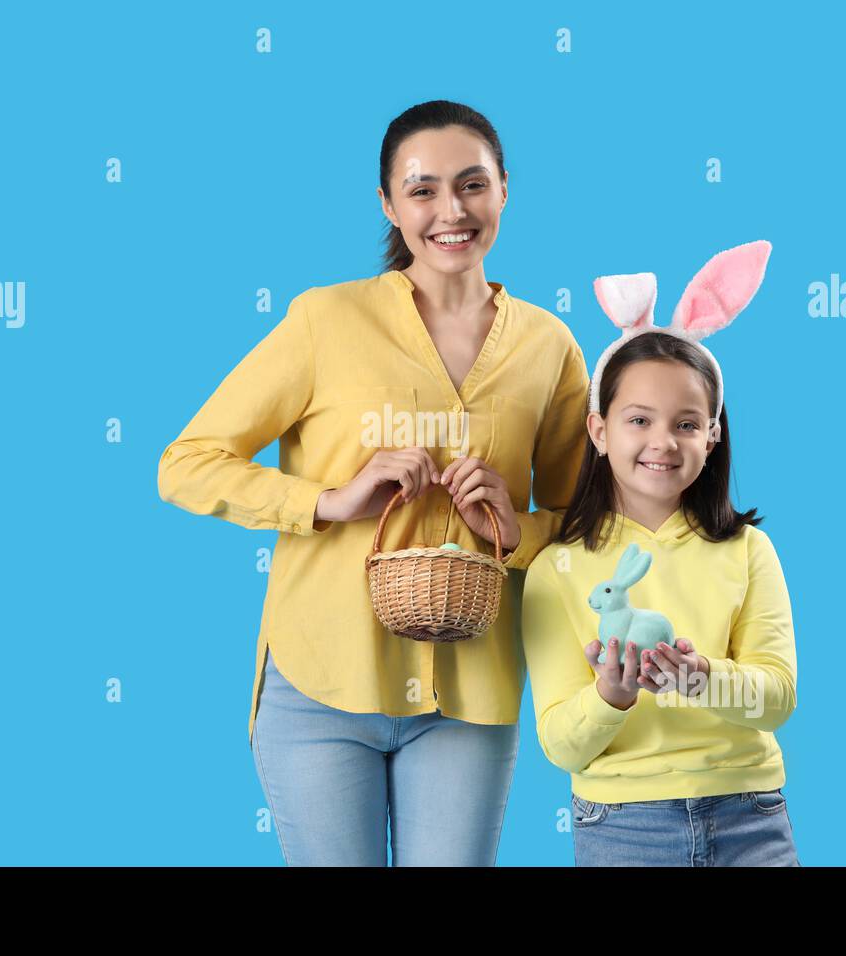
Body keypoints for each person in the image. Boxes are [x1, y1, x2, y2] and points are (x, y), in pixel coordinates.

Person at [157, 100, 589, 865]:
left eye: (472, 184)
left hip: (471, 692)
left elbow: (583, 524)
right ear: (388, 204)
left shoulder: (550, 345)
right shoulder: (326, 319)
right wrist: (327, 502)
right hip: (321, 682)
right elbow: (186, 463)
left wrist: (519, 531)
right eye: (422, 190)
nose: (450, 211)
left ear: (504, 189)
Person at [521, 240, 802, 866]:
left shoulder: (749, 551)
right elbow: (561, 746)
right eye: (638, 420)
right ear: (599, 431)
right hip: (622, 826)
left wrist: (703, 678)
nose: (663, 443)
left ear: (713, 433)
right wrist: (610, 698)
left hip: (748, 813)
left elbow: (778, 699)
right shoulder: (554, 571)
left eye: (685, 423)